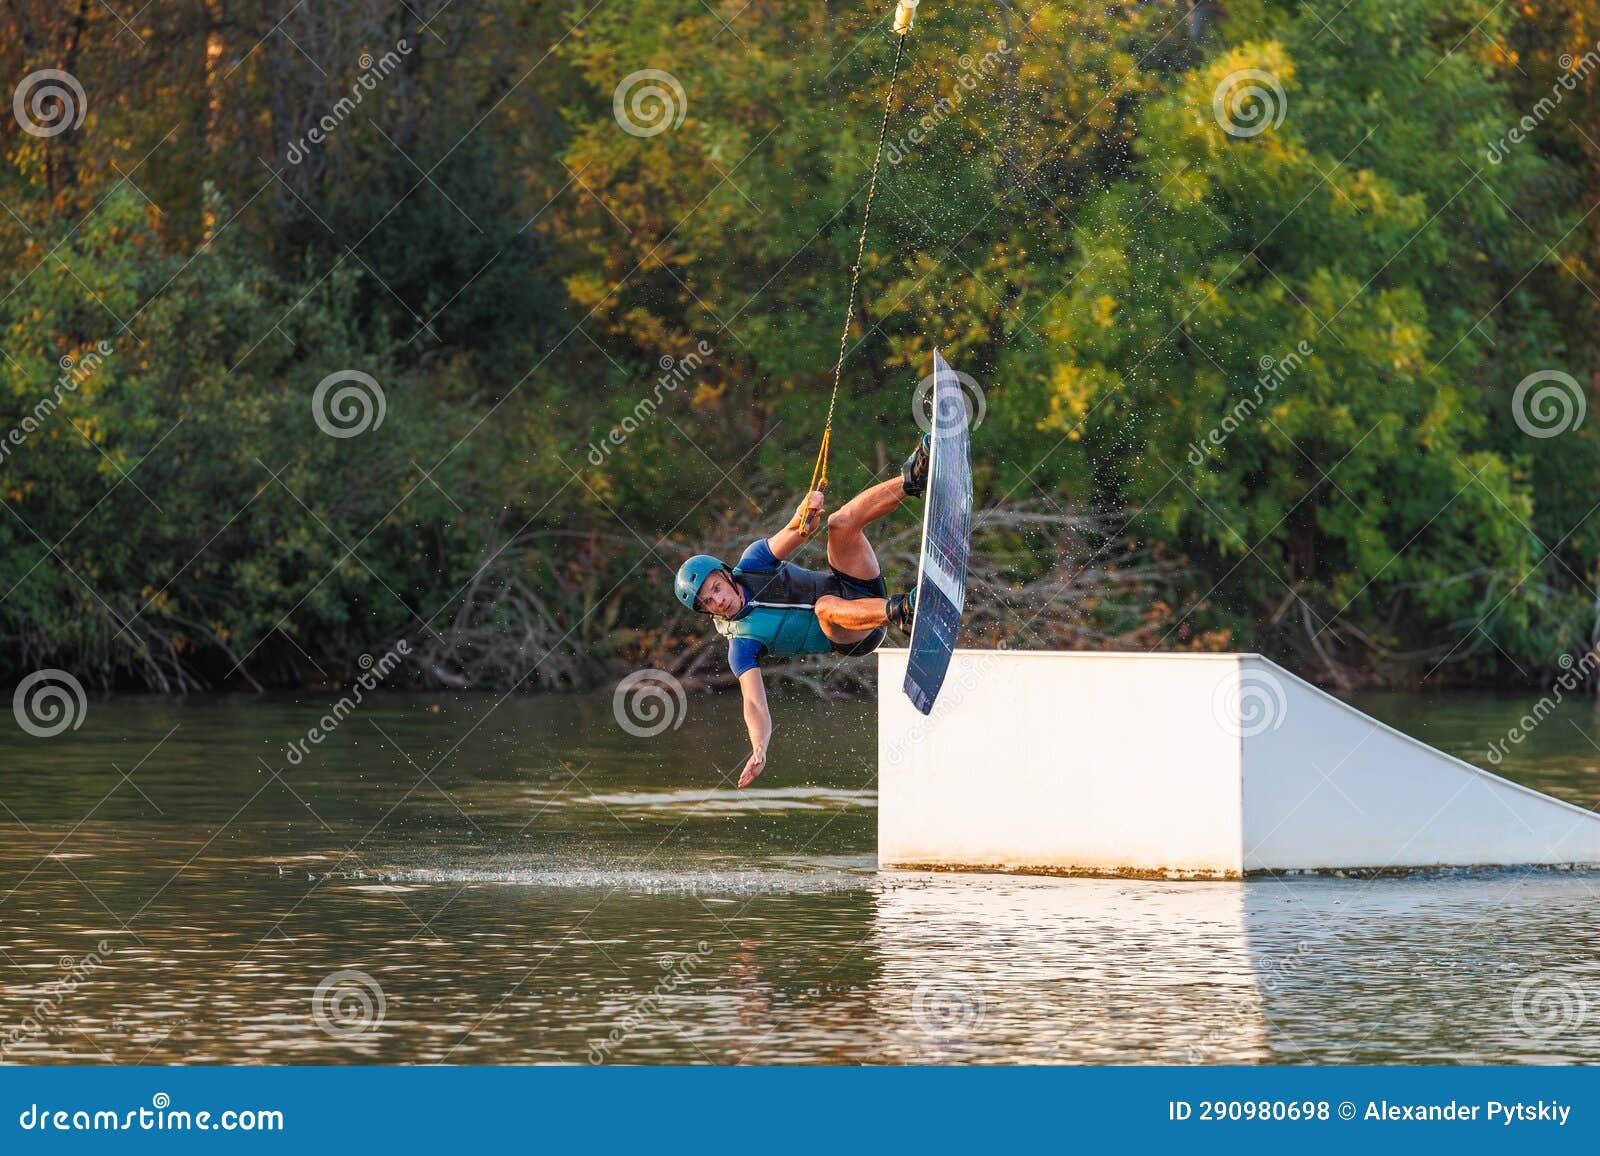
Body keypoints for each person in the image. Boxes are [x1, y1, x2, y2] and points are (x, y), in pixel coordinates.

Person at [674, 438, 930, 788]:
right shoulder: (742, 644)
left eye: (715, 589)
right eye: (707, 603)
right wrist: (758, 747)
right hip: (855, 634)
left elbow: (797, 531)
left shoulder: (754, 562)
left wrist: (803, 516)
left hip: (855, 587)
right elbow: (754, 703)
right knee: (824, 607)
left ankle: (914, 477)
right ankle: (906, 611)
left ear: (724, 573)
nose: (717, 601)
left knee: (840, 523)